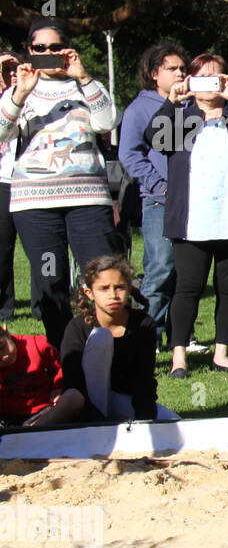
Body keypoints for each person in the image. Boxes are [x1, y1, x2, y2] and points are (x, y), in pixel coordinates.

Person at [144, 53, 228, 379]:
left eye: (214, 77)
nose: (206, 85)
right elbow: (154, 138)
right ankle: (178, 358)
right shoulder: (184, 119)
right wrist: (173, 103)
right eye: (199, 77)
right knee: (187, 288)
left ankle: (221, 353)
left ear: (226, 81)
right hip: (192, 222)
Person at [0, 19, 121, 346]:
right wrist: (20, 93)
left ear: (67, 49)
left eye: (55, 47)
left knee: (103, 278)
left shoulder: (84, 84)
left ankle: (109, 352)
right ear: (29, 51)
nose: (48, 53)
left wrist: (83, 76)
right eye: (40, 48)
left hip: (88, 200)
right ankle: (66, 358)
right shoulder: (18, 91)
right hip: (35, 205)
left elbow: (108, 121)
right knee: (51, 283)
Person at [119, 40, 189, 347]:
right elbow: (130, 154)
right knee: (159, 269)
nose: (179, 74)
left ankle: (180, 337)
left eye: (183, 68)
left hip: (193, 201)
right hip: (159, 202)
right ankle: (147, 337)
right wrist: (158, 185)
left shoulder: (193, 104)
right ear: (153, 74)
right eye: (171, 68)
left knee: (186, 273)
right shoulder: (139, 108)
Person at [60, 256, 179, 422]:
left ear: (129, 289)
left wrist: (144, 420)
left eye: (119, 287)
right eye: (104, 288)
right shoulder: (77, 328)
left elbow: (144, 380)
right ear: (90, 293)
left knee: (174, 423)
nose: (113, 295)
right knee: (101, 337)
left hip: (126, 401)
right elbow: (73, 384)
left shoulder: (144, 325)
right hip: (85, 406)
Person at [0, 323, 73, 427]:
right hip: (7, 416)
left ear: (6, 331)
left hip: (41, 411)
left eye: (2, 347)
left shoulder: (36, 344)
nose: (2, 356)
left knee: (73, 399)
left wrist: (58, 386)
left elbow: (60, 367)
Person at [0, 52, 21, 321]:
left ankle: (44, 304)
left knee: (40, 248)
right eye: (7, 70)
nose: (13, 74)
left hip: (34, 180)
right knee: (3, 246)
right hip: (4, 179)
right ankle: (4, 306)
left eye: (17, 68)